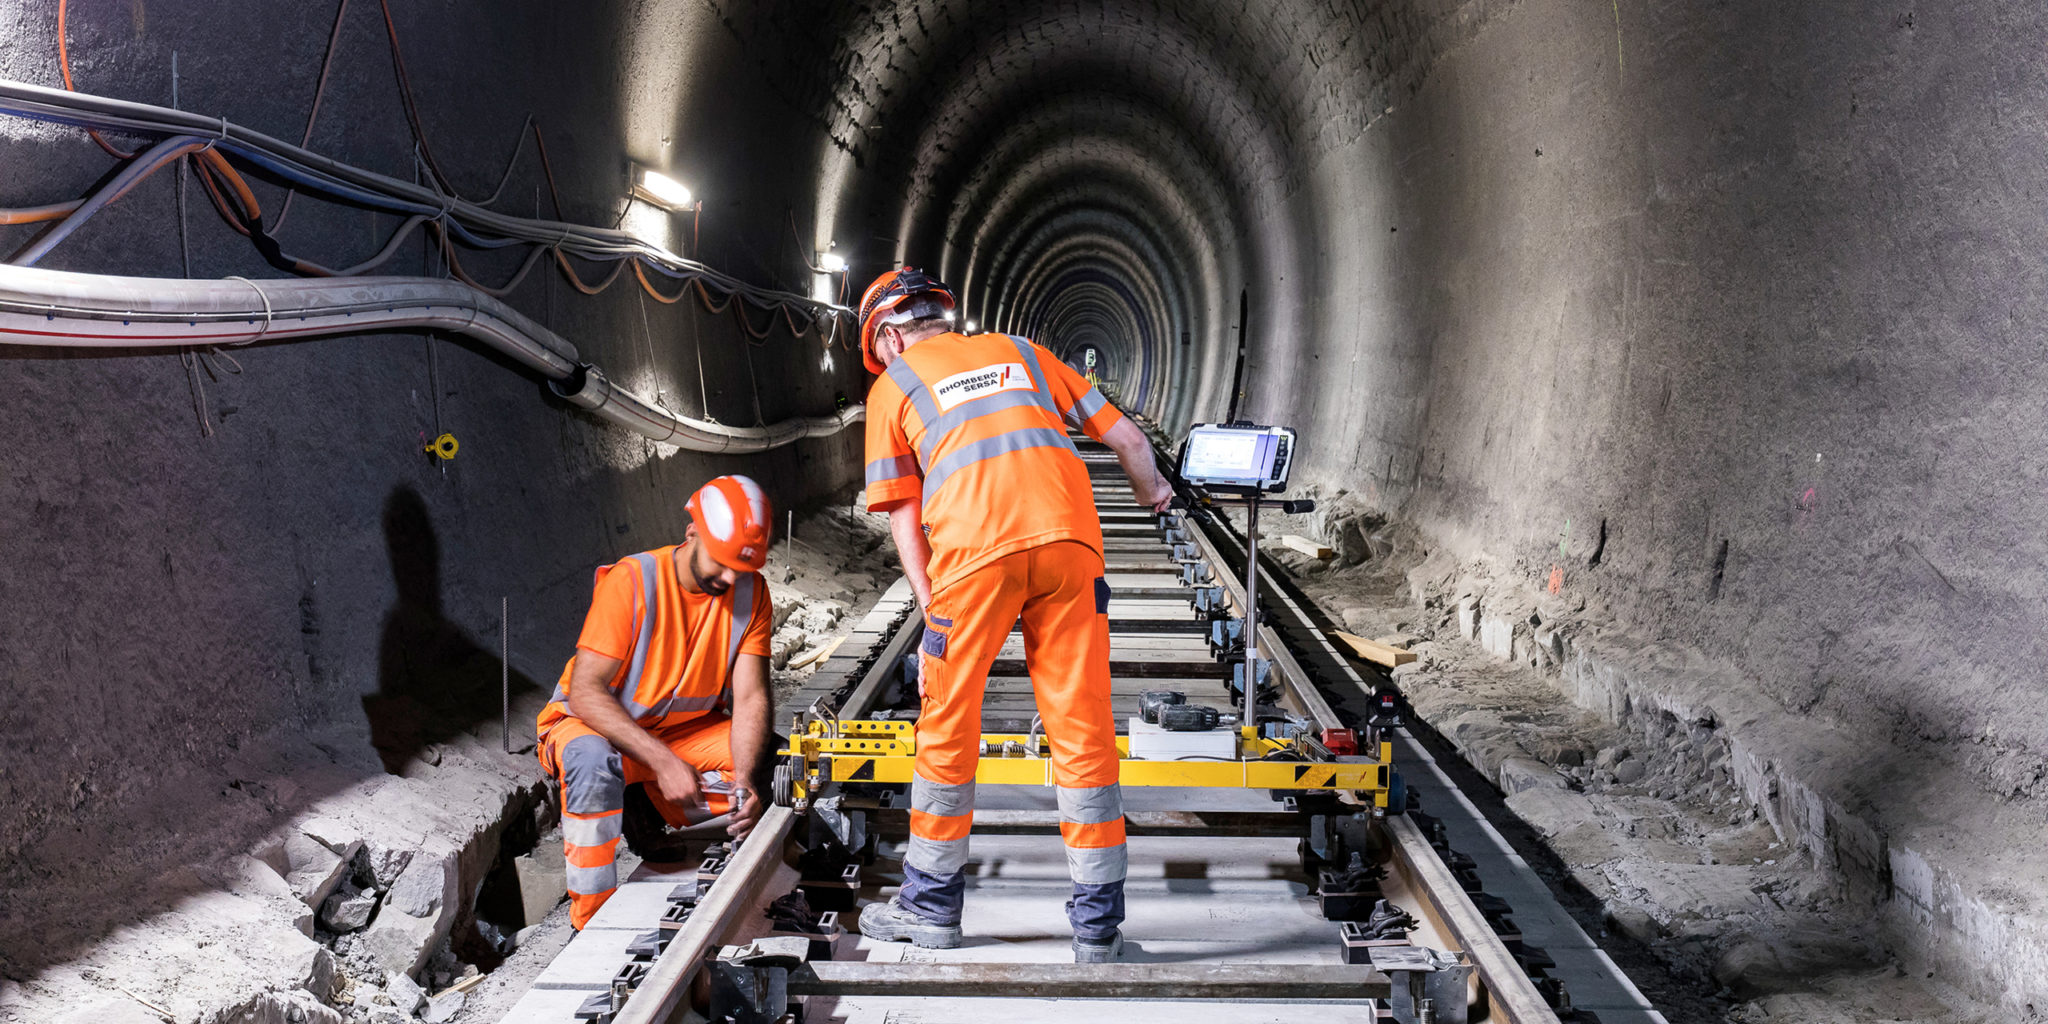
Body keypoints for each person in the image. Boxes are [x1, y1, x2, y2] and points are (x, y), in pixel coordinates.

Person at [850, 266, 1175, 962]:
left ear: (888, 336)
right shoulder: (1025, 353)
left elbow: (904, 512)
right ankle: (1099, 934)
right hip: (1070, 547)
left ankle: (930, 912)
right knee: (1083, 730)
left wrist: (930, 600)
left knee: (947, 729)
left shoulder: (893, 387)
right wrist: (1154, 497)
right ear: (943, 316)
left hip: (974, 557)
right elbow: (1133, 445)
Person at [535, 475, 777, 929]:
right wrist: (662, 761)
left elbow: (750, 698)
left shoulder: (752, 592)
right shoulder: (633, 580)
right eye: (722, 563)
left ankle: (644, 809)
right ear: (691, 535)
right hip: (594, 727)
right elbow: (586, 692)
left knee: (773, 760)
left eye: (741, 569)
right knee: (590, 762)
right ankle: (590, 920)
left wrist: (744, 781)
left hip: (679, 734)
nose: (730, 579)